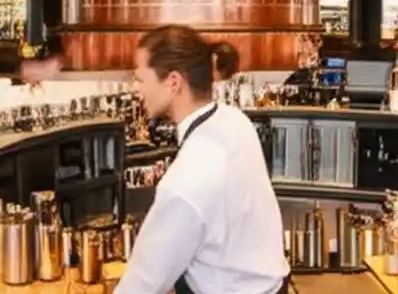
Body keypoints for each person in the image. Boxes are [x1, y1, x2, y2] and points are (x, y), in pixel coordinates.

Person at [117, 26, 289, 294]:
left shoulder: (184, 182)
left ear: (173, 82)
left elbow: (142, 285)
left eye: (140, 79)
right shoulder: (235, 120)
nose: (136, 89)